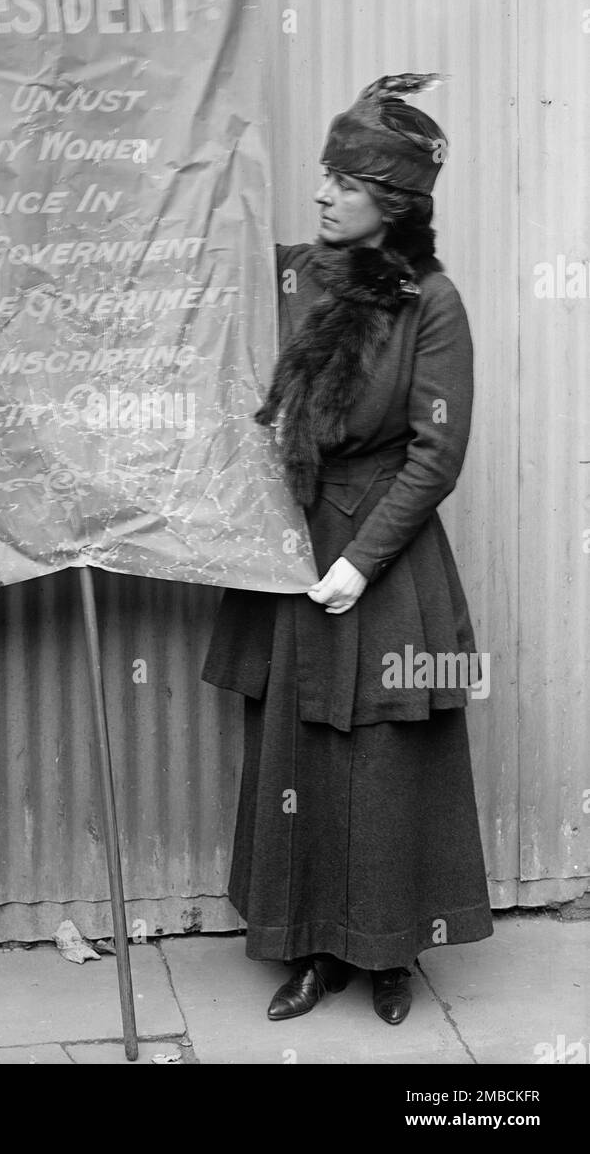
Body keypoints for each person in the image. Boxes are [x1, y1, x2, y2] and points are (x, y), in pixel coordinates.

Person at [201, 74, 493, 1025]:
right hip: (290, 543)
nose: (322, 194)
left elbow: (436, 453)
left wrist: (361, 561)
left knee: (384, 760)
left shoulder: (430, 305)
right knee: (299, 761)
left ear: (393, 205)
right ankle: (314, 951)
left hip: (384, 559)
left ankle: (394, 949)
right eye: (323, 176)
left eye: (346, 182)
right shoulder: (285, 274)